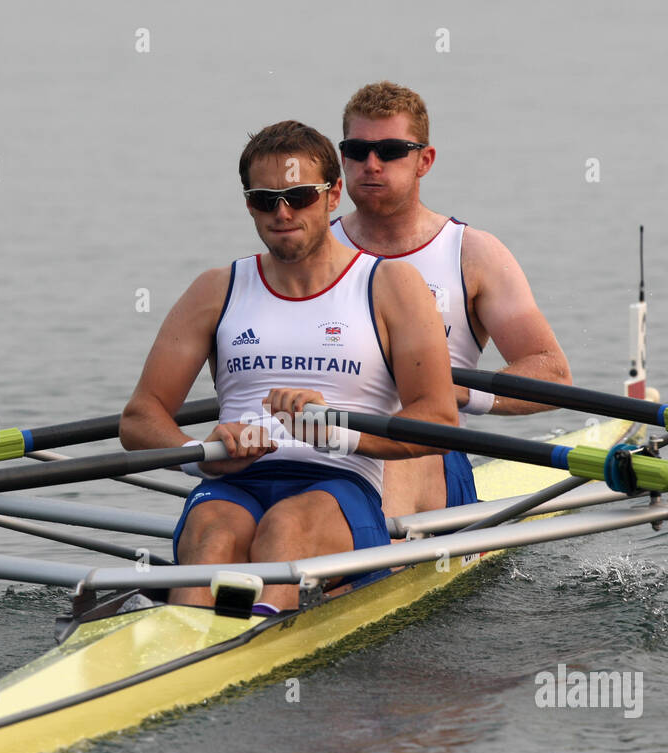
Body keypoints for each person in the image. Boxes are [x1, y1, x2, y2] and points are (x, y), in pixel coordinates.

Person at [120, 120, 458, 611]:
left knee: (285, 529)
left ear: (333, 194)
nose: (282, 213)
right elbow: (139, 417)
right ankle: (186, 648)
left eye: (299, 196)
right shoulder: (215, 289)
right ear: (248, 203)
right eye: (264, 199)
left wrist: (335, 431)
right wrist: (199, 450)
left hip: (339, 484)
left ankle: (246, 641)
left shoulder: (391, 286)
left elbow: (439, 421)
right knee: (215, 535)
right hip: (232, 481)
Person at [332, 81, 573, 519]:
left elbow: (551, 373)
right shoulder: (309, 252)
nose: (371, 164)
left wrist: (459, 393)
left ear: (424, 160)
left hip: (427, 455)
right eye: (357, 150)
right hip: (329, 448)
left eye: (390, 151)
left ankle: (340, 571)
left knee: (407, 440)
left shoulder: (472, 255)